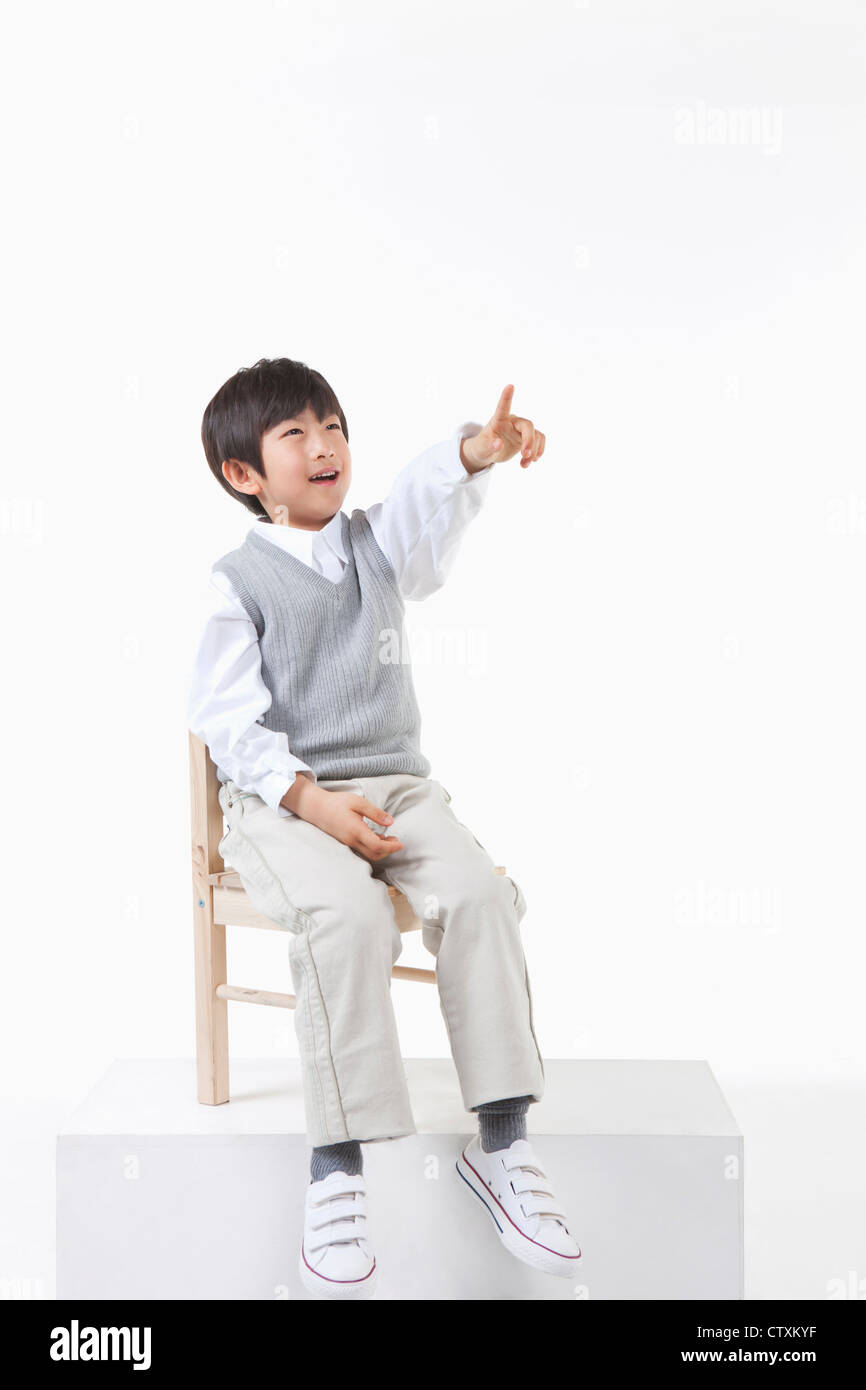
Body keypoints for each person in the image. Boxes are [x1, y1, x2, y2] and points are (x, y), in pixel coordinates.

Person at [187, 357, 582, 1299]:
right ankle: (338, 1167)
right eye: (296, 434)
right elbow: (227, 724)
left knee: (482, 896)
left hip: (396, 788)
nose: (325, 446)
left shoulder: (374, 549)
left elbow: (420, 497)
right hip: (286, 803)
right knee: (351, 921)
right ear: (245, 474)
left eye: (334, 426)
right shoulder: (235, 582)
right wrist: (314, 804)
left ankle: (503, 1142)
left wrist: (473, 455)